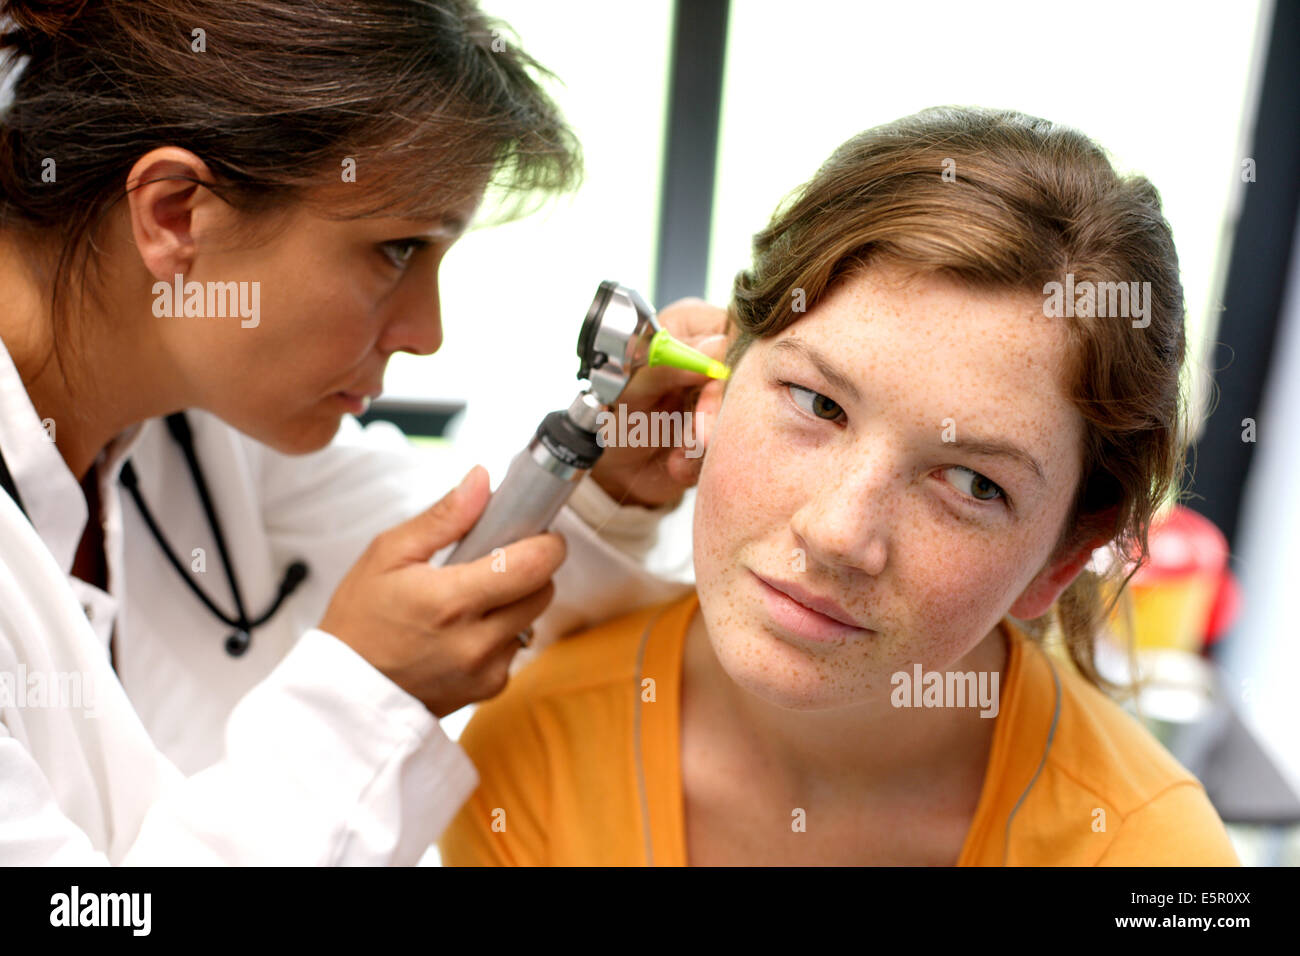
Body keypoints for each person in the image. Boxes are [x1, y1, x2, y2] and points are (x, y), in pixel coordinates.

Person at [0, 0, 713, 864]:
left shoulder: (204, 428)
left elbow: (470, 576)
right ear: (176, 214)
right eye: (398, 250)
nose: (426, 333)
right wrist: (368, 695)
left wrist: (610, 478)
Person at [438, 106, 1242, 866]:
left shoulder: (1155, 860)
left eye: (971, 482)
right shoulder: (533, 750)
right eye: (818, 403)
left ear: (1063, 560)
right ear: (713, 389)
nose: (837, 533)